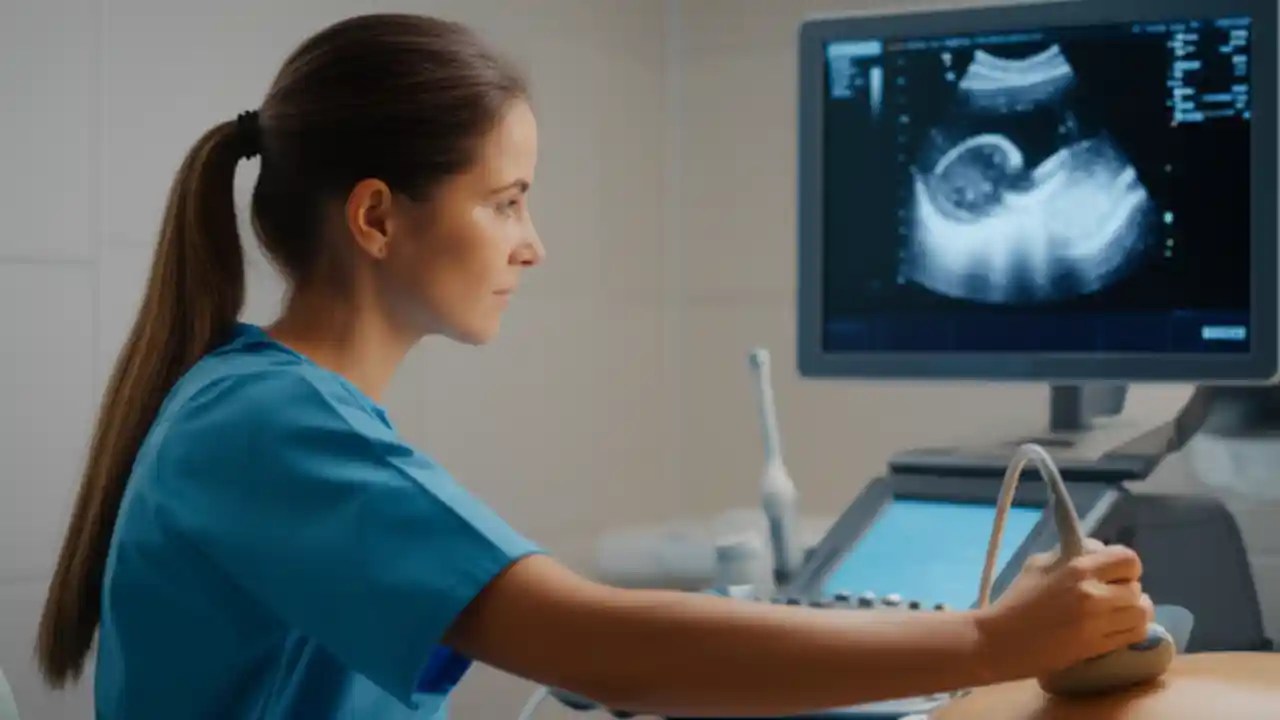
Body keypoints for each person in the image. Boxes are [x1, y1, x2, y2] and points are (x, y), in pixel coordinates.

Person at [35, 13, 1154, 720]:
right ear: (377, 216)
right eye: (505, 200)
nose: (531, 242)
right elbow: (593, 643)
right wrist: (986, 640)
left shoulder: (262, 407)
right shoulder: (262, 425)